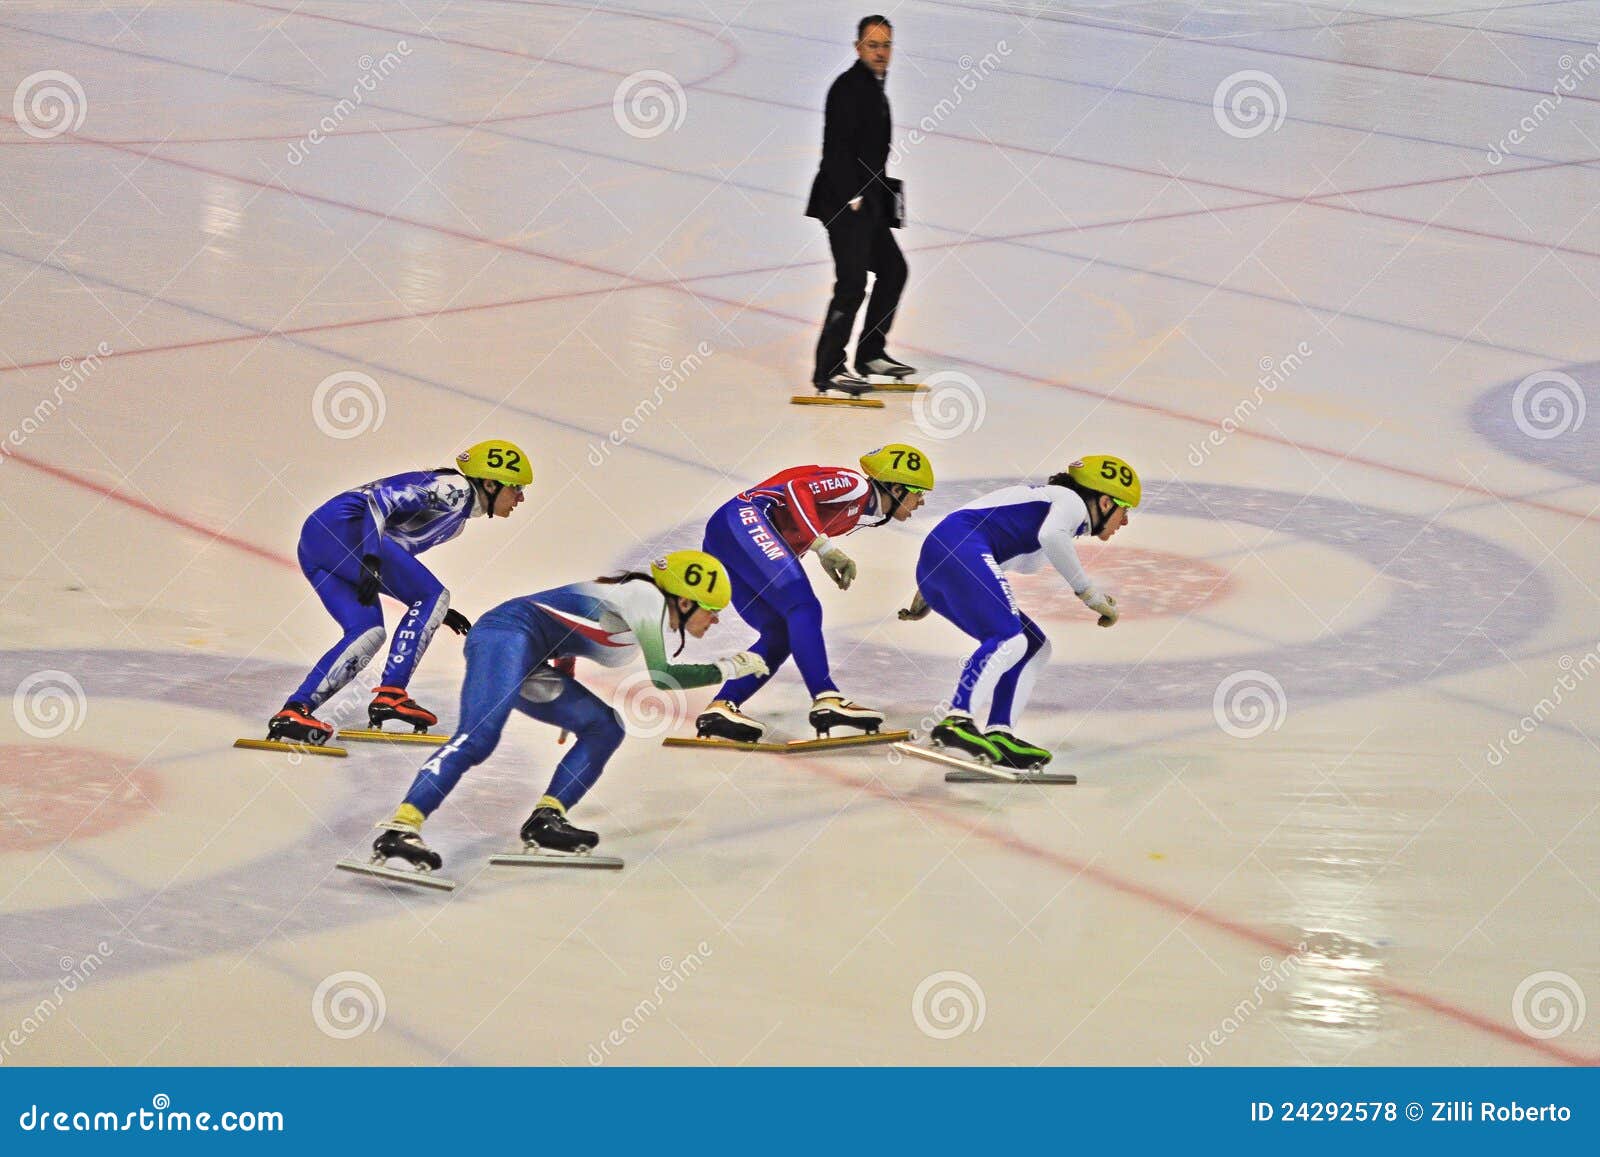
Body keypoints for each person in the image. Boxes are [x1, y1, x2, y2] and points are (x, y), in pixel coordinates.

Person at [368, 551, 766, 872]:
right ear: (683, 599)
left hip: (531, 653)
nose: (715, 620)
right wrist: (729, 668)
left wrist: (565, 685)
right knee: (479, 738)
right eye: (711, 609)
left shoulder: (642, 604)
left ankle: (546, 819)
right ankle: (401, 826)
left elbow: (566, 627)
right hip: (504, 635)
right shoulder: (646, 598)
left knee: (604, 727)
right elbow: (663, 677)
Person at [266, 439, 531, 745]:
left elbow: (398, 561)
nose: (521, 498)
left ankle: (295, 710)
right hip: (343, 528)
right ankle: (391, 694)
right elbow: (379, 501)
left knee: (367, 631)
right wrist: (372, 558)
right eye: (516, 487)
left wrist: (430, 611)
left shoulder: (456, 523)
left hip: (318, 544)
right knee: (434, 595)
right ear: (489, 483)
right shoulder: (454, 490)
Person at [899, 456, 1140, 768]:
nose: (1125, 521)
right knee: (1009, 639)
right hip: (956, 549)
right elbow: (1051, 537)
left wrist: (931, 592)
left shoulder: (1045, 512)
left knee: (1035, 646)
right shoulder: (1070, 502)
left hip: (942, 561)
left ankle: (1000, 731)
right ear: (1106, 502)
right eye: (1125, 509)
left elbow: (998, 553)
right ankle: (957, 721)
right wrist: (1090, 594)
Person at [695, 443, 933, 742]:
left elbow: (786, 533)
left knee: (780, 634)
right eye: (919, 492)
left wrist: (811, 552)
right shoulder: (856, 486)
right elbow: (797, 490)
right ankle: (826, 697)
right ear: (897, 488)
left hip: (729, 536)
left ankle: (722, 706)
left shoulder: (855, 513)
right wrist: (824, 548)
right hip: (744, 519)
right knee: (804, 607)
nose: (921, 502)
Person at [805, 14, 913, 395]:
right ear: (857, 48)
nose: (881, 52)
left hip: (868, 202)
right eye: (873, 45)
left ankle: (870, 353)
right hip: (843, 202)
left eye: (885, 45)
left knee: (894, 270)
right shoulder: (848, 88)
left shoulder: (873, 86)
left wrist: (880, 200)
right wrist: (853, 197)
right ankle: (829, 369)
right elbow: (835, 151)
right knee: (851, 284)